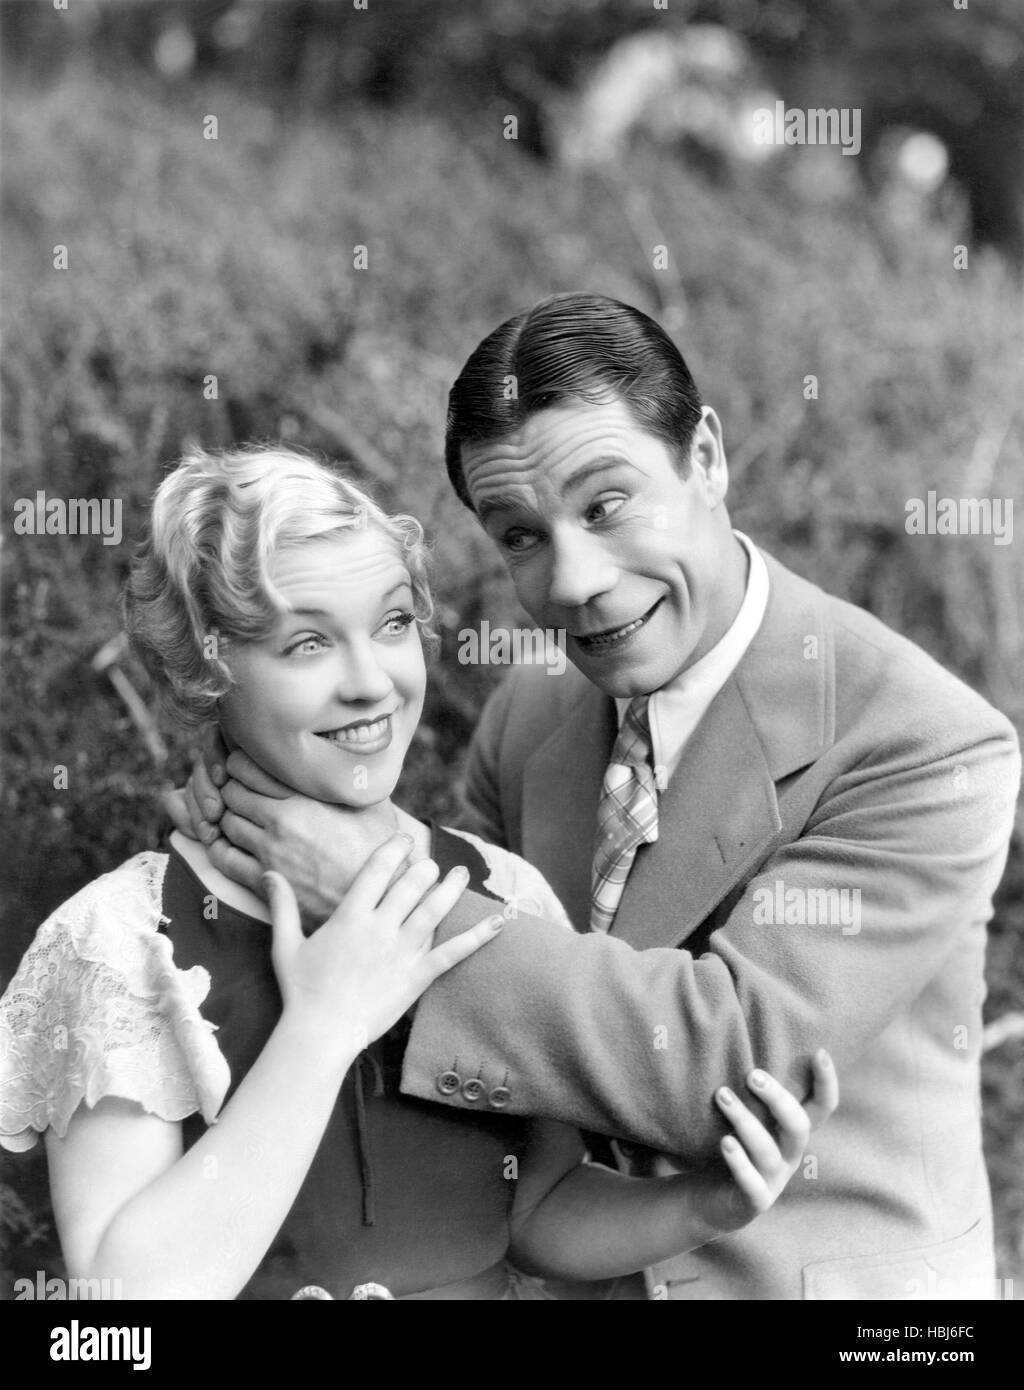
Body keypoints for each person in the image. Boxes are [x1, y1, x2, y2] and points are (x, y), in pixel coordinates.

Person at [176, 294, 1021, 1301]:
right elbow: (470, 1069)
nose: (572, 580)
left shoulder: (927, 741)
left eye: (606, 504)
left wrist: (373, 875)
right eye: (521, 535)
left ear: (704, 457)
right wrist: (269, 802)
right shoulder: (526, 716)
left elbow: (726, 1061)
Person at [0, 444, 836, 1302]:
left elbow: (535, 1210)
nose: (372, 684)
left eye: (394, 624)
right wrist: (320, 1032)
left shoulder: (499, 893)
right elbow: (121, 1307)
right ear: (206, 672)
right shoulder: (121, 944)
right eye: (308, 642)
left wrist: (698, 1205)